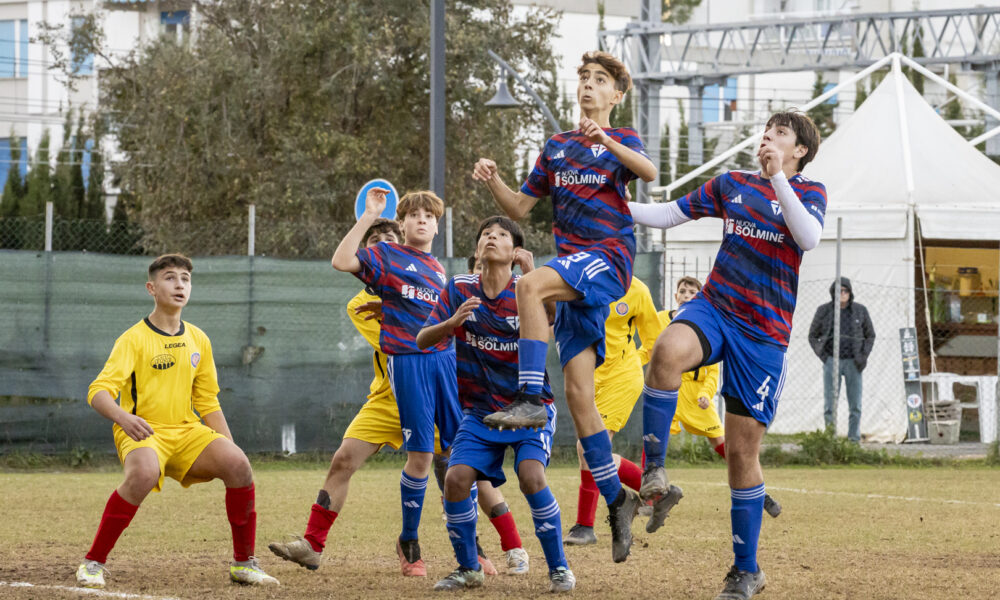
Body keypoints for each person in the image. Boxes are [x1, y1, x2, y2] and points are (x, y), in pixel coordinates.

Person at [629, 110, 827, 599]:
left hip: (764, 335)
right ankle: (655, 468)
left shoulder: (809, 192)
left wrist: (778, 176)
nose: (768, 136)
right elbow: (672, 213)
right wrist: (617, 208)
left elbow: (809, 238)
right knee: (666, 352)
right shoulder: (731, 184)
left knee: (741, 453)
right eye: (767, 130)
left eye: (780, 133)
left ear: (799, 149)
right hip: (716, 307)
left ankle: (746, 570)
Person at [472, 50, 657, 563]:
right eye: (583, 79)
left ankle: (530, 395)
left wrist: (610, 143)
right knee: (579, 396)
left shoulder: (620, 142)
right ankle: (618, 499)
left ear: (616, 96)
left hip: (608, 259)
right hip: (575, 269)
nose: (588, 86)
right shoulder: (556, 147)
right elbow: (518, 209)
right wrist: (492, 178)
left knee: (528, 286)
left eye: (599, 81)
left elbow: (650, 171)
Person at [268, 218, 526, 576]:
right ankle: (313, 544)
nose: (385, 253)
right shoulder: (362, 302)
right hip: (389, 396)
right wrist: (397, 306)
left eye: (390, 244)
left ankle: (500, 548)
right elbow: (403, 341)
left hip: (434, 388)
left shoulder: (432, 279)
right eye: (376, 246)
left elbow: (447, 326)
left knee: (463, 470)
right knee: (343, 459)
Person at [76, 254, 278, 589]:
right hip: (144, 431)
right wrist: (123, 418)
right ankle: (93, 562)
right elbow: (98, 391)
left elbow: (207, 402)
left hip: (187, 432)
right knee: (143, 473)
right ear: (151, 288)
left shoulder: (198, 339)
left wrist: (230, 447)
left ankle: (244, 564)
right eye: (170, 278)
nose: (179, 284)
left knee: (240, 466)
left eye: (185, 278)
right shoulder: (133, 339)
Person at [417, 216, 575, 593]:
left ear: (515, 251)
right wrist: (451, 322)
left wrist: (534, 273)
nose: (492, 237)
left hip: (529, 410)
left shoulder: (527, 289)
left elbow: (551, 321)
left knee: (531, 476)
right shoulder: (458, 288)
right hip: (481, 411)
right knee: (455, 480)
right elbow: (423, 338)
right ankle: (468, 568)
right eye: (486, 234)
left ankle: (559, 568)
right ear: (476, 250)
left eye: (502, 234)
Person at [328, 188, 461, 577]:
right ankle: (410, 541)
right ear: (401, 223)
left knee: (460, 459)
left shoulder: (438, 269)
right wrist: (369, 216)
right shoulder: (387, 255)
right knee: (420, 456)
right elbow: (341, 261)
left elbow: (440, 321)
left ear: (438, 226)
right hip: (409, 367)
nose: (422, 220)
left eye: (429, 216)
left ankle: (474, 549)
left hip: (445, 366)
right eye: (414, 214)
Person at [651, 277, 781, 520]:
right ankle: (652, 495)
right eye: (683, 290)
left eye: (693, 291)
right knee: (654, 438)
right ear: (676, 295)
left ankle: (758, 493)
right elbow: (649, 348)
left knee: (727, 446)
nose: (687, 294)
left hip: (697, 396)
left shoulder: (705, 324)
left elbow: (712, 370)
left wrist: (705, 394)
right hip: (673, 391)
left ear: (700, 297)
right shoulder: (660, 320)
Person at [564, 276, 680, 546]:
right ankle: (657, 494)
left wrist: (630, 361)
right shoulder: (579, 281)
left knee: (589, 448)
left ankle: (585, 525)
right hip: (588, 378)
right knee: (590, 451)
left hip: (622, 378)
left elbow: (653, 341)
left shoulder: (638, 289)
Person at [808, 277, 875, 443]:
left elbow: (870, 335)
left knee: (855, 405)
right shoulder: (824, 311)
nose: (842, 294)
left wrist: (862, 356)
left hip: (854, 363)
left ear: (850, 293)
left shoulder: (860, 310)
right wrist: (823, 356)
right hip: (832, 361)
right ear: (833, 293)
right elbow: (812, 335)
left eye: (845, 291)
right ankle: (830, 440)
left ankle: (853, 440)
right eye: (839, 291)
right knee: (830, 405)